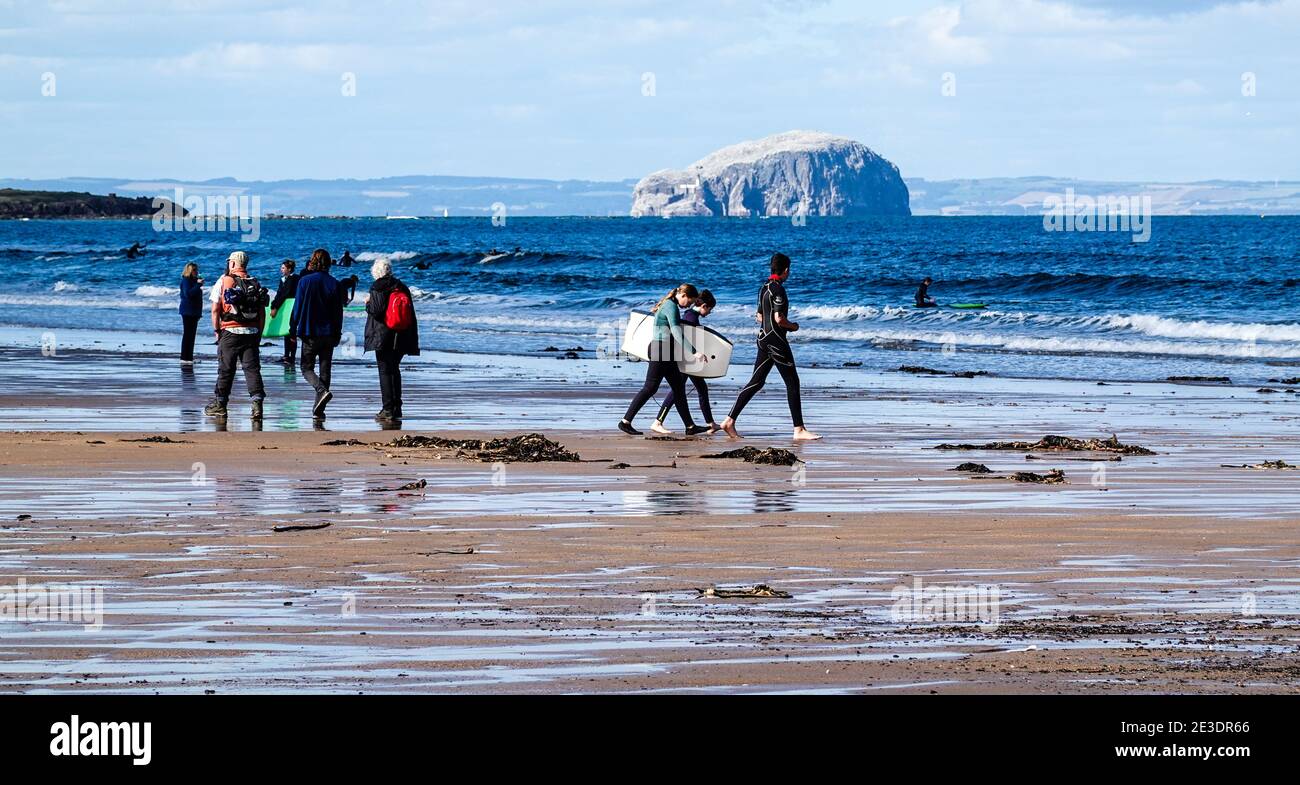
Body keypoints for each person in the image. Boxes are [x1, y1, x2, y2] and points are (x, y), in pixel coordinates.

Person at [720, 253, 820, 441]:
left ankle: (729, 421)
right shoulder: (779, 290)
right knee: (793, 383)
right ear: (786, 270)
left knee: (757, 382)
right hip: (776, 341)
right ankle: (799, 429)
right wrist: (794, 326)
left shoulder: (763, 288)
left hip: (763, 339)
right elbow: (779, 319)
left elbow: (759, 316)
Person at [618, 284, 710, 436]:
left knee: (679, 389)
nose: (689, 305)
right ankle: (625, 422)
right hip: (661, 351)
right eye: (690, 301)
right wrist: (694, 352)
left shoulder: (670, 305)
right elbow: (675, 330)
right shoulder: (671, 306)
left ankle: (690, 426)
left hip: (665, 351)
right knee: (650, 388)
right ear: (684, 296)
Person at [203, 251, 268, 419]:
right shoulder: (254, 283)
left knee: (226, 369)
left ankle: (220, 405)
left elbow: (215, 310)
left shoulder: (224, 280)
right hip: (251, 332)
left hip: (230, 331)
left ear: (232, 263)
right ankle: (257, 405)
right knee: (252, 370)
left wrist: (217, 331)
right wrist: (259, 333)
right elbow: (262, 313)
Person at [652, 289, 719, 434]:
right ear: (705, 306)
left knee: (698, 389)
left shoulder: (691, 315)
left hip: (688, 359)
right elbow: (683, 338)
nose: (708, 313)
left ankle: (709, 423)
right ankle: (658, 421)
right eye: (710, 310)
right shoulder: (691, 317)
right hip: (686, 360)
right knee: (677, 391)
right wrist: (695, 354)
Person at [290, 249, 347, 418]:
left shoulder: (304, 281)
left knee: (306, 368)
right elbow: (338, 312)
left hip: (309, 331)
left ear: (313, 262)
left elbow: (297, 308)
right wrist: (338, 332)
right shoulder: (335, 283)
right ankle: (319, 409)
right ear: (329, 263)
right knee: (325, 368)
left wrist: (292, 328)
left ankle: (321, 391)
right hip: (329, 332)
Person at [363, 257, 420, 421]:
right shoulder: (401, 286)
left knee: (385, 371)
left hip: (383, 336)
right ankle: (397, 407)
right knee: (394, 370)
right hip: (402, 334)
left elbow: (377, 311)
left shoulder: (378, 286)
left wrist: (367, 302)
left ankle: (388, 409)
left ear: (376, 273)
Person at [270, 259, 300, 365]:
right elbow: (279, 294)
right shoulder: (283, 279)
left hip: (292, 308)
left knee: (291, 332)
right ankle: (287, 355)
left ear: (289, 269)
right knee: (286, 331)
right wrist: (273, 305)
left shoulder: (293, 279)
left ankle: (291, 357)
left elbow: (285, 294)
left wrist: (275, 308)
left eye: (283, 268)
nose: (281, 269)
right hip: (285, 309)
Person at [178, 263, 204, 364]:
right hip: (188, 311)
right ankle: (185, 357)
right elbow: (188, 294)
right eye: (194, 270)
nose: (196, 272)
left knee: (192, 335)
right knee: (188, 335)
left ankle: (189, 357)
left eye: (196, 270)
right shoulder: (186, 280)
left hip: (194, 311)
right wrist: (198, 285)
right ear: (189, 271)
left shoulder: (192, 281)